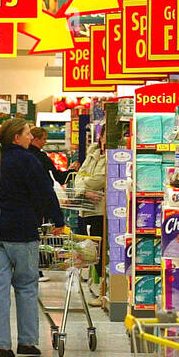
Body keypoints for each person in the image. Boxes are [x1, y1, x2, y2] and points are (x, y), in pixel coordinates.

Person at [0, 117, 66, 357]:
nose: (32, 137)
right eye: (28, 133)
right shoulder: (29, 161)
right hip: (23, 232)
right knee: (27, 287)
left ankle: (0, 345)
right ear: (16, 138)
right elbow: (45, 192)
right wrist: (58, 220)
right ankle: (27, 342)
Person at [74, 127, 109, 306]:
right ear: (101, 136)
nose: (106, 138)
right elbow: (79, 176)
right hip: (88, 207)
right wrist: (86, 191)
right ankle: (101, 289)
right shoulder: (93, 153)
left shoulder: (110, 156)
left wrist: (84, 186)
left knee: (102, 251)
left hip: (101, 209)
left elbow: (101, 179)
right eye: (105, 134)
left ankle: (104, 292)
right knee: (95, 250)